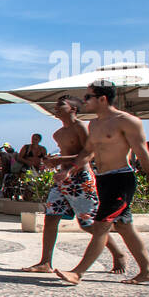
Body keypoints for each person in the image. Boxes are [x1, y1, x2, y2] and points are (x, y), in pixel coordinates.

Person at [54, 81, 149, 285]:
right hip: (103, 179)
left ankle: (78, 273)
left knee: (100, 226)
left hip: (121, 179)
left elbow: (143, 153)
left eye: (88, 97)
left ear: (102, 99)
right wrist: (69, 170)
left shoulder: (127, 121)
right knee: (124, 226)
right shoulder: (94, 124)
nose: (84, 101)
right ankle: (147, 270)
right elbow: (88, 151)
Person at [21, 95, 128, 274]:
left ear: (73, 109)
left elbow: (90, 153)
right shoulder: (58, 134)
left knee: (88, 223)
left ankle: (118, 253)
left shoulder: (80, 127)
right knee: (51, 217)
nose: (56, 108)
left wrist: (61, 161)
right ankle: (45, 262)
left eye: (60, 105)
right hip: (63, 179)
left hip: (81, 178)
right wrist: (54, 162)